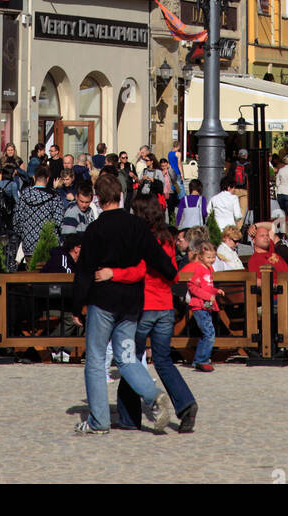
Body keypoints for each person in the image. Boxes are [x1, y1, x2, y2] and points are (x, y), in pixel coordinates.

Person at [71, 170, 175, 435]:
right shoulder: (136, 226)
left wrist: (76, 306)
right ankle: (153, 396)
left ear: (97, 198)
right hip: (131, 304)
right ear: (120, 195)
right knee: (127, 358)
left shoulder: (94, 230)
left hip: (103, 301)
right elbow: (156, 257)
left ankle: (99, 422)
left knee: (95, 360)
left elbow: (83, 272)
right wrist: (171, 273)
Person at [105, 195, 199, 432]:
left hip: (144, 305)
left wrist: (112, 275)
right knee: (164, 361)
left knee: (130, 360)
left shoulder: (140, 239)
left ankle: (128, 416)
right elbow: (172, 272)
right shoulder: (167, 240)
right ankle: (186, 405)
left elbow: (137, 271)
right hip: (165, 305)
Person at [8, 164, 65, 267]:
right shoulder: (54, 196)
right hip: (48, 244)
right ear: (47, 179)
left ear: (34, 177)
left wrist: (25, 234)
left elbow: (16, 220)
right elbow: (59, 221)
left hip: (28, 245)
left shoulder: (24, 195)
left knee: (31, 277)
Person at [181, 240, 224, 372]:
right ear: (201, 256)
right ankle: (202, 360)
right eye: (208, 257)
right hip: (199, 305)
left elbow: (207, 287)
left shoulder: (208, 270)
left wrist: (216, 291)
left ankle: (198, 360)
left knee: (206, 333)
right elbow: (192, 287)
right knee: (209, 333)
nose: (211, 260)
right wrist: (207, 296)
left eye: (213, 257)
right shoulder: (199, 269)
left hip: (206, 305)